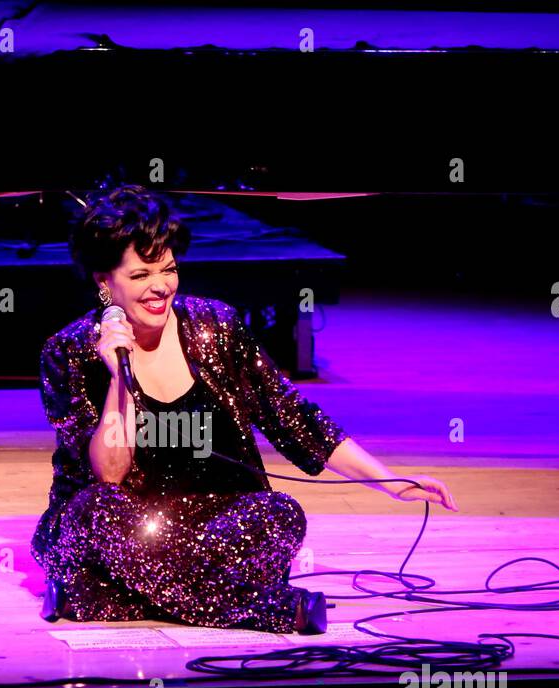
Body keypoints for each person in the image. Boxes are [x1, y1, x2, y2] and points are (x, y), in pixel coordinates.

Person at [32, 185, 456, 634]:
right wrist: (119, 375)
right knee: (96, 511)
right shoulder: (69, 352)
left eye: (169, 270)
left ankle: (105, 596)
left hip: (215, 520)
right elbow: (110, 476)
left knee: (281, 515)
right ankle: (269, 608)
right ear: (104, 281)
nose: (160, 287)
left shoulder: (217, 327)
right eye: (140, 276)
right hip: (127, 523)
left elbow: (292, 416)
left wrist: (388, 481)